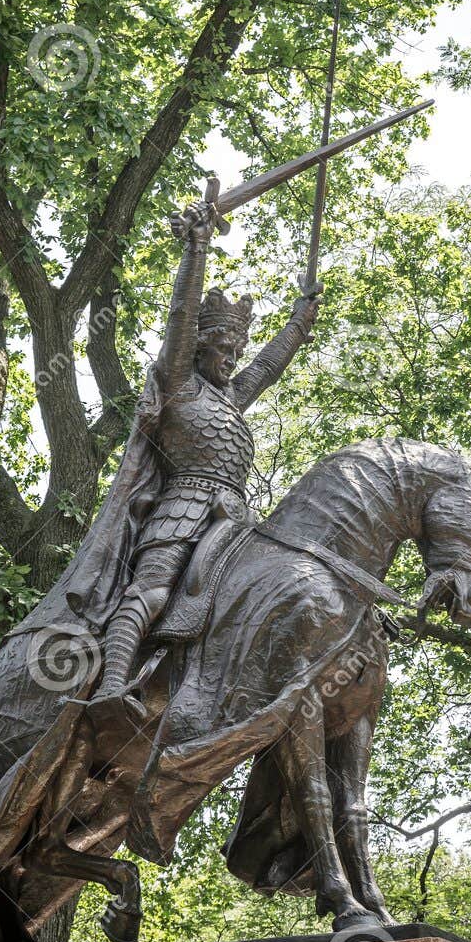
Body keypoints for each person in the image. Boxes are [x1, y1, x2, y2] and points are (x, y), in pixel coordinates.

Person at [88, 197, 321, 725]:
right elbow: (180, 315)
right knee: (150, 590)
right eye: (223, 344)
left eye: (238, 346)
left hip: (234, 519)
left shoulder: (230, 398)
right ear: (198, 347)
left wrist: (300, 322)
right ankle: (111, 684)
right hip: (183, 508)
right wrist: (198, 246)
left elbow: (268, 364)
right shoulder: (178, 384)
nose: (234, 354)